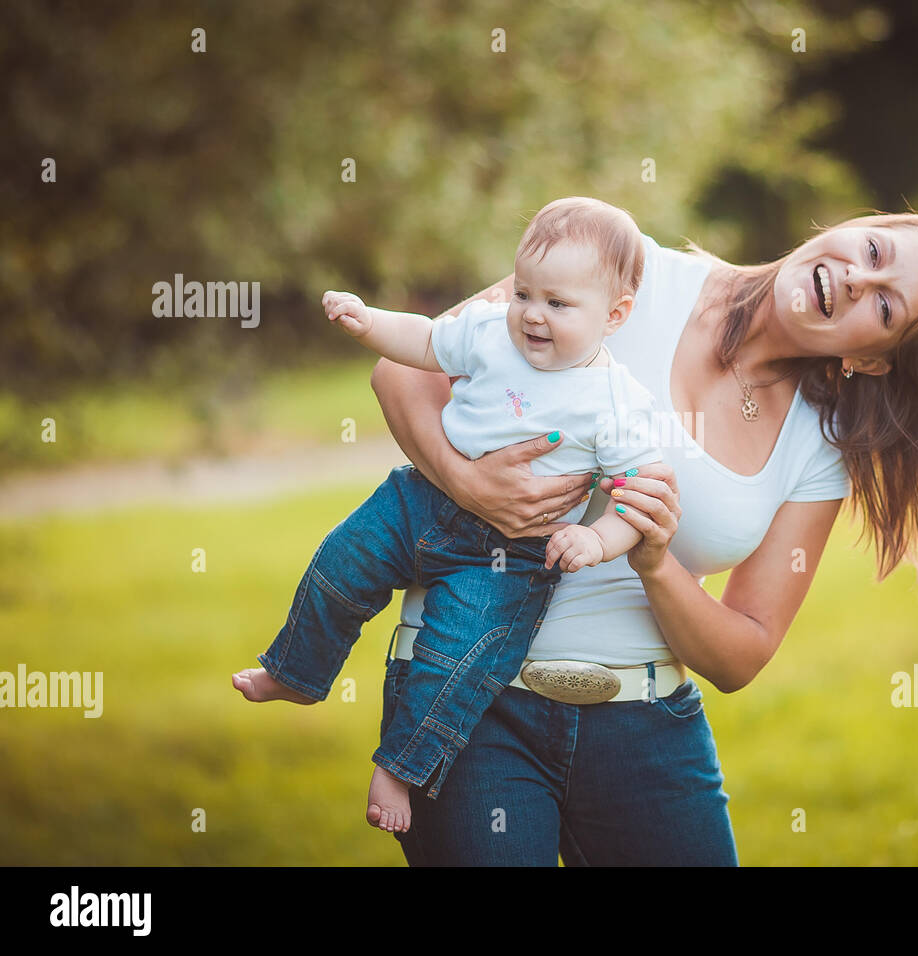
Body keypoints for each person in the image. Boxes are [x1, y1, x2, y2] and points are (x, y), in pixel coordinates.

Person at [371, 210, 918, 866]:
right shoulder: (626, 278)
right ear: (852, 225)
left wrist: (656, 563)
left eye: (885, 307)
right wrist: (472, 487)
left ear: (874, 360)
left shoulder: (818, 444)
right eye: (873, 250)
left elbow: (744, 649)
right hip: (465, 692)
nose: (859, 279)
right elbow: (405, 368)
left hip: (646, 727)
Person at [232, 197, 662, 834]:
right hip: (422, 502)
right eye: (524, 293)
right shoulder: (492, 331)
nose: (532, 315)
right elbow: (425, 341)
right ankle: (296, 670)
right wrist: (366, 321)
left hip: (513, 556)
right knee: (340, 565)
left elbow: (636, 495)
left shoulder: (616, 401)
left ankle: (401, 769)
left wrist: (596, 542)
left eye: (558, 304)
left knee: (457, 659)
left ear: (615, 315)